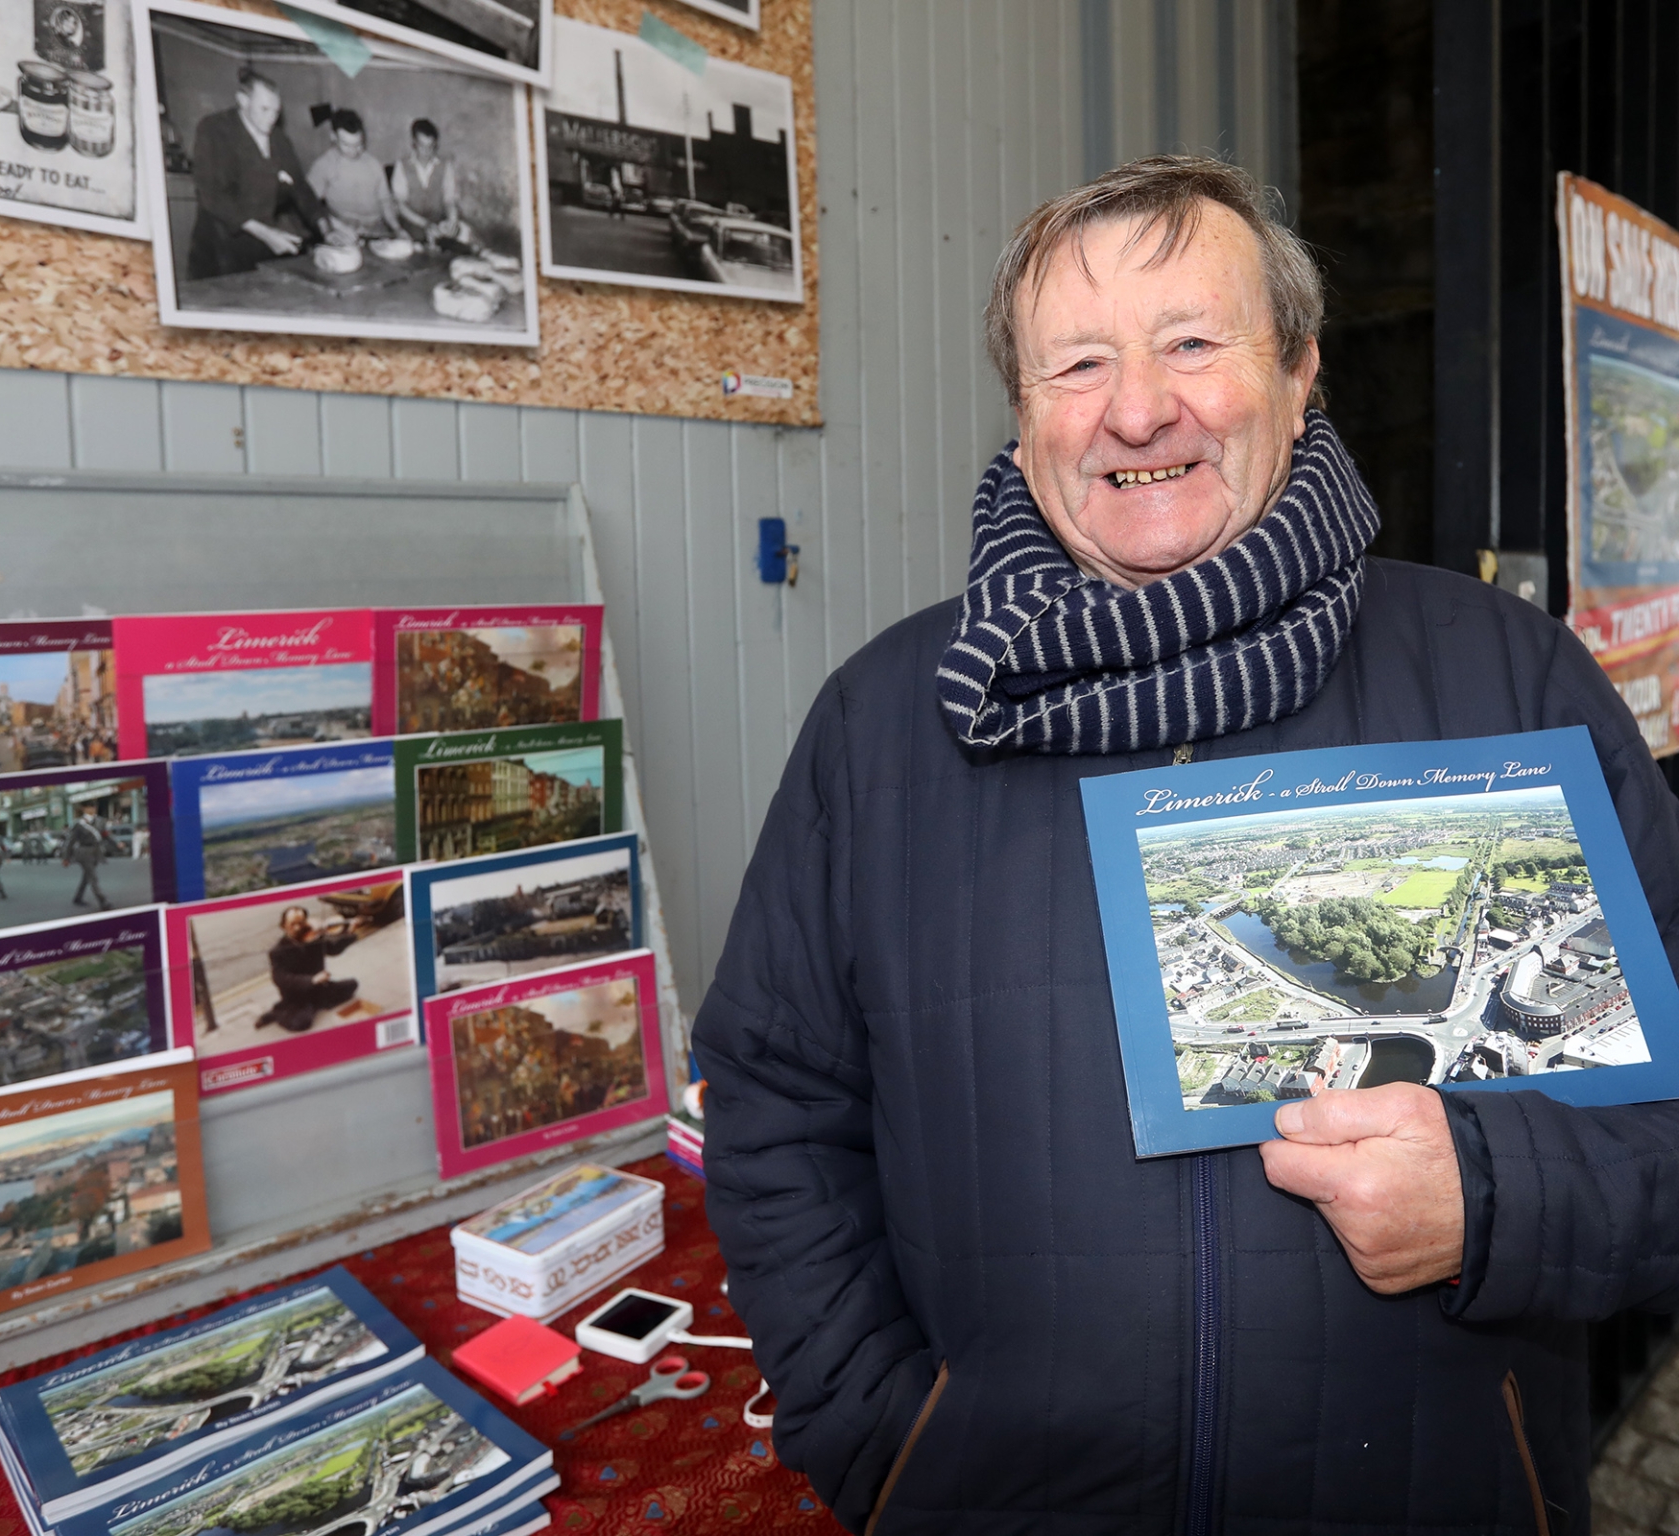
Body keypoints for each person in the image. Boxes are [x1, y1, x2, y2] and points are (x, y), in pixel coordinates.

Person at [693, 154, 1679, 1533]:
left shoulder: (1510, 677)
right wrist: (885, 1438)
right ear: (1027, 416)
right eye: (1078, 363)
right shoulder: (881, 727)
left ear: (1300, 372)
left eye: (1195, 344)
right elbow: (774, 1100)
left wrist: (1499, 1199)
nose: (1138, 409)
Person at [186, 68, 326, 280]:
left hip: (260, 247)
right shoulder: (214, 129)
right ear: (242, 100)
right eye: (264, 109)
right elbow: (212, 196)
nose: (271, 118)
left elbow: (300, 188)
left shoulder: (279, 139)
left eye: (276, 112)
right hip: (220, 247)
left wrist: (325, 226)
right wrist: (267, 234)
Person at [256, 905, 368, 1033]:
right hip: (298, 996)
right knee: (302, 1023)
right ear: (283, 926)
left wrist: (350, 932)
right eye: (292, 924)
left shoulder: (315, 938)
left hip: (319, 988)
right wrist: (312, 980)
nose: (298, 928)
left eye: (301, 923)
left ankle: (315, 1004)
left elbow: (333, 949)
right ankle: (277, 1013)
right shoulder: (277, 951)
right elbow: (280, 978)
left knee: (352, 985)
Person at [306, 109, 396, 238]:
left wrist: (397, 229)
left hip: (376, 230)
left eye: (358, 145)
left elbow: (385, 202)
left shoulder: (374, 164)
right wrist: (336, 226)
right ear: (333, 137)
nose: (354, 151)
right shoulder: (324, 165)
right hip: (343, 231)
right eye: (347, 145)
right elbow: (309, 204)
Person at [391, 119, 470, 252]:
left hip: (438, 223)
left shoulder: (445, 165)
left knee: (461, 239)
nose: (426, 152)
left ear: (435, 145)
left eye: (431, 146)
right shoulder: (402, 165)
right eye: (422, 146)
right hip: (411, 225)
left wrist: (452, 219)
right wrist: (425, 225)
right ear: (414, 144)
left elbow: (449, 199)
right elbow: (401, 205)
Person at [62, 806, 120, 909]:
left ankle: (78, 898)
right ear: (84, 809)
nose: (92, 810)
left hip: (96, 852)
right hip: (84, 852)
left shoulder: (100, 821)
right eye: (89, 808)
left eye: (93, 807)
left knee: (86, 877)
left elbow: (105, 835)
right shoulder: (79, 824)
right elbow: (70, 841)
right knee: (93, 877)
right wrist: (66, 857)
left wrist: (117, 843)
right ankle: (103, 902)